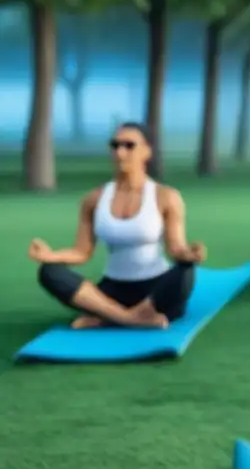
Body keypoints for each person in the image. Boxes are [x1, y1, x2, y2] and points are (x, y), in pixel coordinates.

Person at [30, 122, 205, 329]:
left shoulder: (166, 197)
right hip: (112, 291)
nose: (120, 152)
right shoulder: (93, 199)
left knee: (186, 270)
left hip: (155, 291)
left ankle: (107, 316)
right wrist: (48, 256)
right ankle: (130, 318)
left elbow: (175, 248)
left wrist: (190, 254)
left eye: (129, 145)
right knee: (49, 272)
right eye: (115, 145)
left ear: (147, 151)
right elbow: (81, 252)